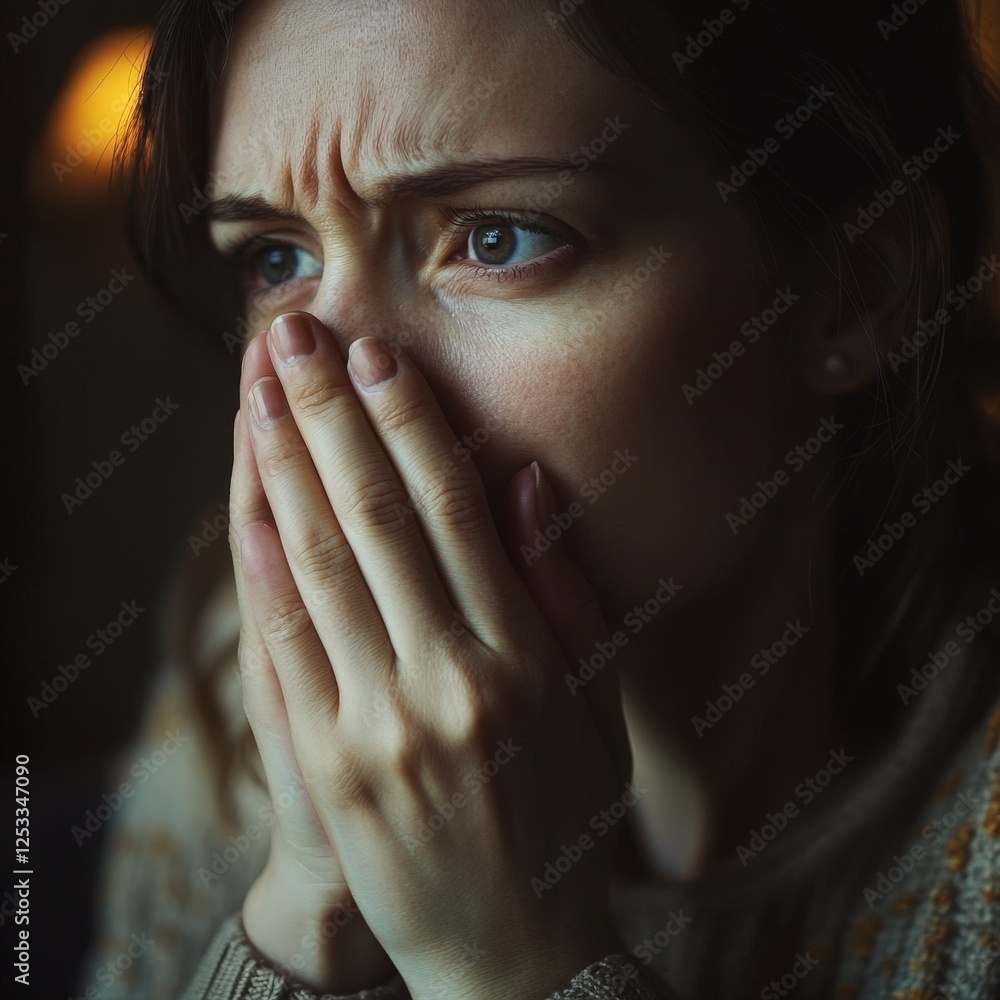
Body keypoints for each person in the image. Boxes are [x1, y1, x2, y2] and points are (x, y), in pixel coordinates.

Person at [75, 0, 1000, 997]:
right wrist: (304, 918)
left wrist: (507, 967)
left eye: (497, 239)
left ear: (855, 287)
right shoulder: (232, 718)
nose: (335, 383)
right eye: (277, 259)